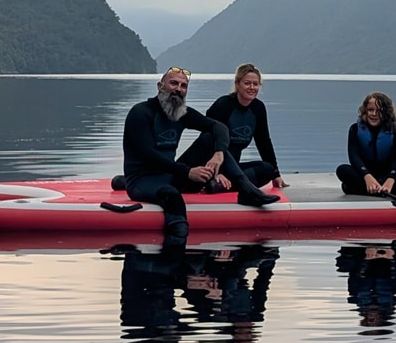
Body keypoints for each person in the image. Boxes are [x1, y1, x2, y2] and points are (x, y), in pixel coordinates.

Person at [122, 67, 280, 236]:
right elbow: (148, 155)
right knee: (172, 196)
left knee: (210, 139)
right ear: (160, 86)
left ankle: (246, 190)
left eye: (183, 86)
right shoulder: (140, 113)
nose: (178, 89)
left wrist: (219, 153)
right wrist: (188, 171)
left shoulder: (181, 113)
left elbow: (218, 126)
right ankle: (176, 245)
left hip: (170, 175)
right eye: (174, 83)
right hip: (142, 180)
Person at [185, 63, 288, 192]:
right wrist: (218, 172)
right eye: (247, 83)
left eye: (255, 84)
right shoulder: (223, 105)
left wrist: (276, 174)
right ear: (237, 84)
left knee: (267, 169)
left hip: (232, 169)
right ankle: (218, 181)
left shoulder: (258, 108)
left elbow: (264, 142)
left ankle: (220, 185)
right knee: (210, 138)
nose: (252, 87)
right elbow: (207, 140)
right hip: (208, 164)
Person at [335, 92, 396, 197]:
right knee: (342, 170)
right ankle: (384, 191)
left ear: (386, 113)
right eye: (370, 110)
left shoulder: (395, 131)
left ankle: (369, 189)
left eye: (379, 111)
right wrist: (367, 176)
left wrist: (390, 180)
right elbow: (354, 156)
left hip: (386, 175)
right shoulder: (354, 129)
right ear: (365, 110)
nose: (374, 114)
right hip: (363, 175)